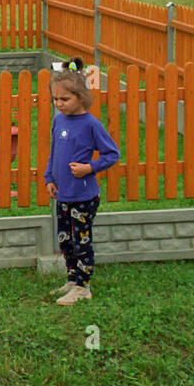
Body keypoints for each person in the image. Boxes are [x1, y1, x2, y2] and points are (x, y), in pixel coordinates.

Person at [44, 57, 121, 305]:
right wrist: (49, 177)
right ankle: (71, 279)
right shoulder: (58, 120)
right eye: (55, 99)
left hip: (83, 196)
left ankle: (83, 287)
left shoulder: (91, 124)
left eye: (64, 99)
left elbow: (112, 154)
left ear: (81, 97)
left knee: (81, 242)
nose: (59, 104)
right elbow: (54, 151)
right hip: (62, 194)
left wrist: (90, 167)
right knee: (65, 239)